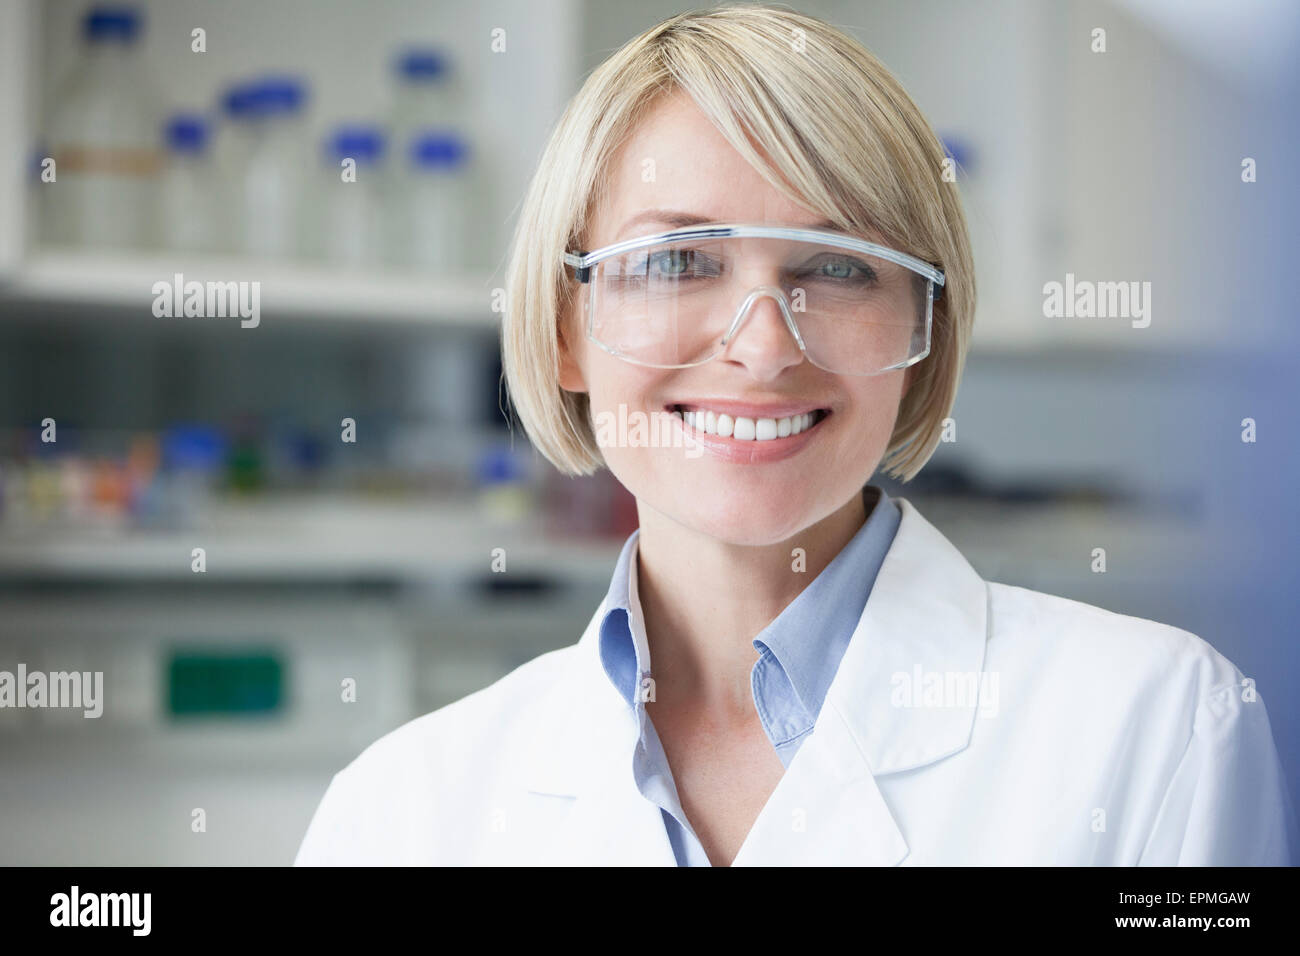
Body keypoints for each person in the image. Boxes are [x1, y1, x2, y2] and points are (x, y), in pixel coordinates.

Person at [295, 5, 1295, 866]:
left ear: (923, 329)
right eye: (679, 258)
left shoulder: (1158, 728)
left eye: (840, 265)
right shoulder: (402, 813)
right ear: (565, 328)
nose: (765, 345)